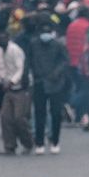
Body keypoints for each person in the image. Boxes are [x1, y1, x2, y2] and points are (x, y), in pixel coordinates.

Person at [27, 19, 69, 154]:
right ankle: (39, 142)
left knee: (56, 113)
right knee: (39, 113)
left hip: (55, 83)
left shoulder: (58, 45)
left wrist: (56, 73)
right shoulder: (33, 45)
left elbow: (64, 61)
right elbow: (29, 61)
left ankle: (55, 140)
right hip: (39, 82)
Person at [0, 30, 32, 155]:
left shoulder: (14, 50)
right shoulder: (2, 51)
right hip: (9, 89)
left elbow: (20, 69)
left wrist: (11, 81)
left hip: (20, 88)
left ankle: (28, 143)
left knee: (19, 118)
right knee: (5, 117)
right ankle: (9, 146)